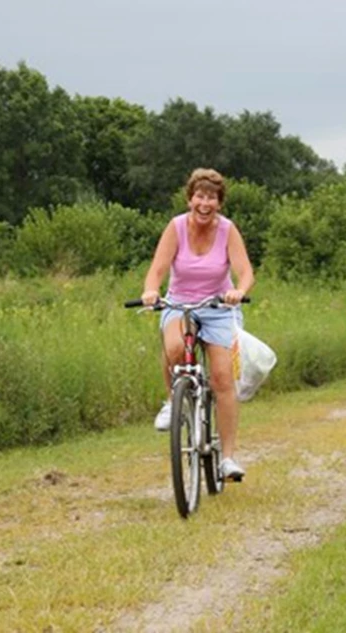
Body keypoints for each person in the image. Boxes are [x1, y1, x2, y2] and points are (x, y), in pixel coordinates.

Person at [140, 168, 254, 481]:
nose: (205, 203)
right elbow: (157, 270)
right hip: (179, 301)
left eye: (212, 197)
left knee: (221, 379)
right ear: (190, 199)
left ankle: (228, 457)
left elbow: (245, 271)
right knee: (174, 347)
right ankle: (170, 402)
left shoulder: (227, 230)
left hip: (218, 307)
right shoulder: (175, 227)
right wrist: (151, 291)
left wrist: (238, 291)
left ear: (219, 203)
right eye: (200, 196)